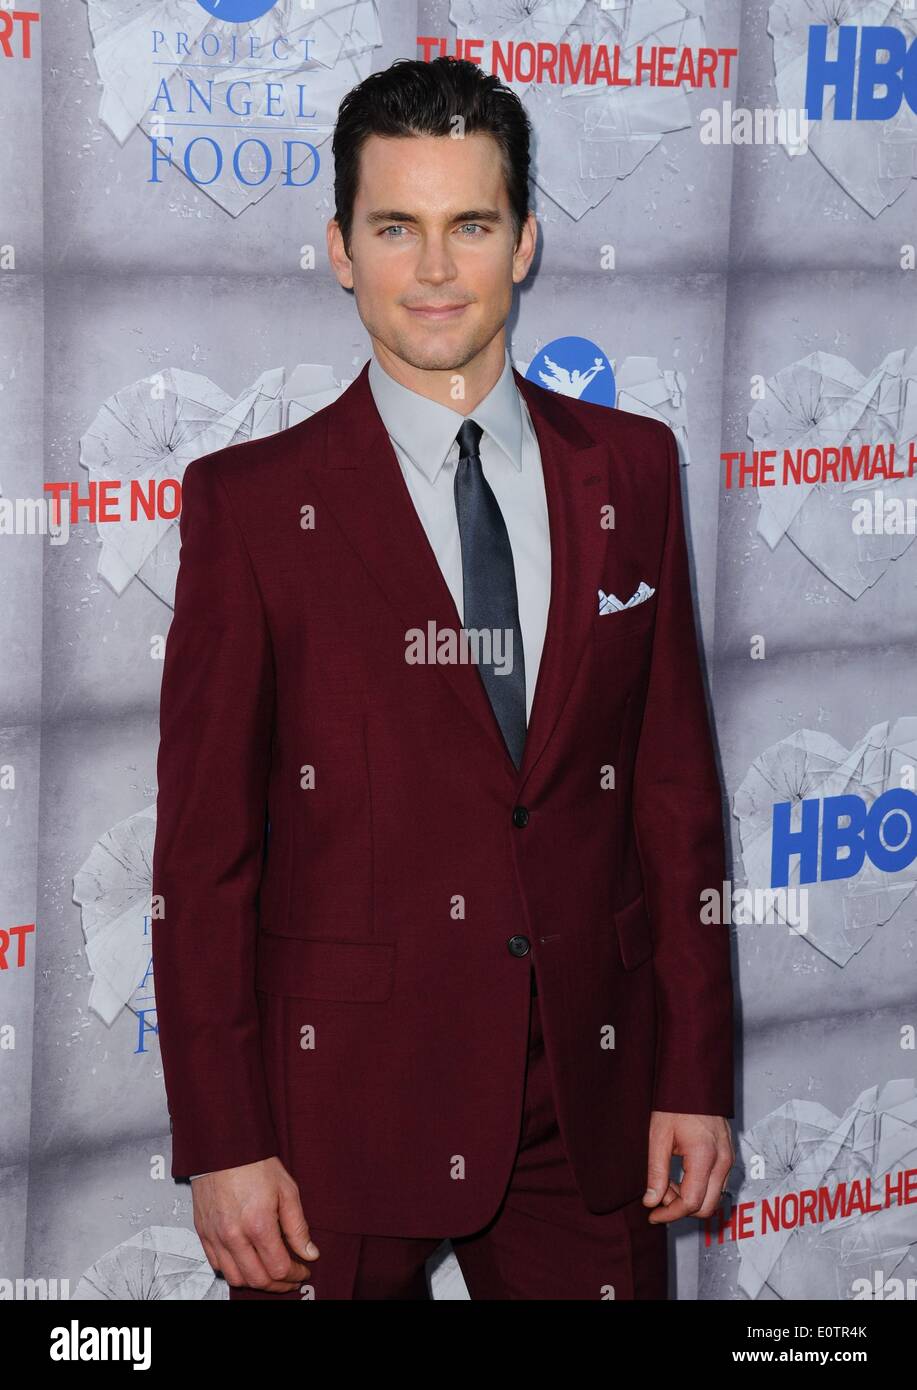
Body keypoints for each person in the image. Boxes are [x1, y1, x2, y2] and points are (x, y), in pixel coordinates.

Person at [151, 56, 735, 1301]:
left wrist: (690, 1071)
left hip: (583, 1100)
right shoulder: (250, 507)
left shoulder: (631, 471)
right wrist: (223, 1139)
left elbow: (674, 804)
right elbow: (202, 858)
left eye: (468, 224)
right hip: (329, 1118)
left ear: (523, 242)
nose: (431, 270)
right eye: (394, 228)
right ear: (339, 247)